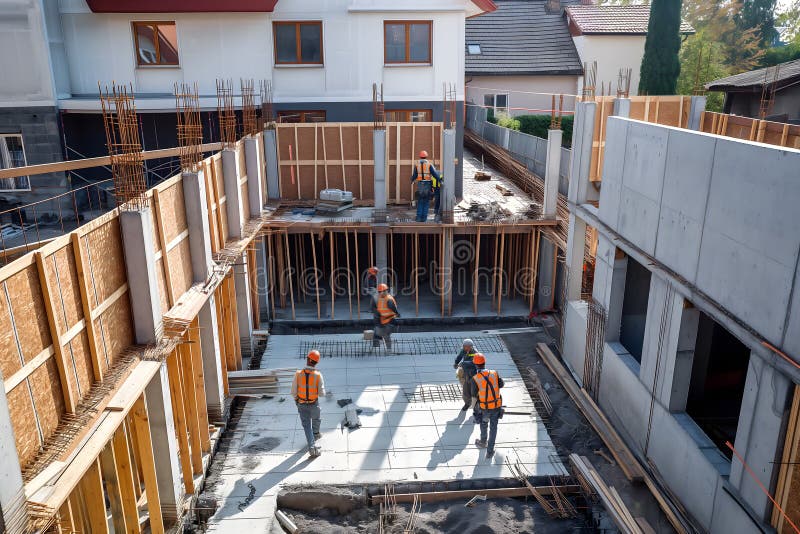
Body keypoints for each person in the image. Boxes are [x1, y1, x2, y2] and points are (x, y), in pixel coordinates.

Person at [292, 350, 326, 458]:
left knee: (307, 426)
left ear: (307, 359)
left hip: (301, 404)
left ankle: (311, 446)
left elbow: (293, 392)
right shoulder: (318, 375)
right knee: (316, 419)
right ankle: (316, 434)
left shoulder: (298, 374)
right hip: (314, 403)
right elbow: (322, 394)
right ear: (316, 362)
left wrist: (297, 401)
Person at [470, 353, 504, 458]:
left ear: (475, 365)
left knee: (484, 423)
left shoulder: (475, 378)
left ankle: (483, 442)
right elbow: (501, 384)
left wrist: (474, 409)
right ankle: (490, 452)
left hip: (485, 408)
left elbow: (474, 396)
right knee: (493, 428)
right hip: (496, 406)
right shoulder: (494, 373)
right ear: (484, 362)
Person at [410, 150, 441, 222]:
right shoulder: (429, 165)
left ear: (420, 156)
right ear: (426, 156)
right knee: (426, 201)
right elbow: (435, 174)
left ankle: (418, 218)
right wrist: (440, 180)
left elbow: (414, 175)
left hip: (420, 184)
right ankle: (424, 218)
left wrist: (411, 180)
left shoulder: (417, 165)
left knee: (420, 200)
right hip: (427, 184)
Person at [371, 283, 400, 352]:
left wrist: (397, 313)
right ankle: (377, 346)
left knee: (385, 334)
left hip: (389, 320)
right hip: (383, 320)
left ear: (386, 291)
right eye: (380, 292)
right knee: (378, 332)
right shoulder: (378, 298)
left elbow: (392, 308)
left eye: (383, 291)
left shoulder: (388, 299)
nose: (381, 293)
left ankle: (388, 349)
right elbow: (375, 309)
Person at [453, 338, 478, 411]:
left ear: (470, 346)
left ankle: (476, 404)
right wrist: (456, 363)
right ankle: (467, 403)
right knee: (465, 389)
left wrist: (462, 363)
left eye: (465, 346)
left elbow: (473, 363)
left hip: (473, 372)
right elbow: (459, 356)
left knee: (474, 389)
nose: (463, 347)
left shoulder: (475, 353)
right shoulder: (463, 350)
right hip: (465, 372)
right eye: (463, 346)